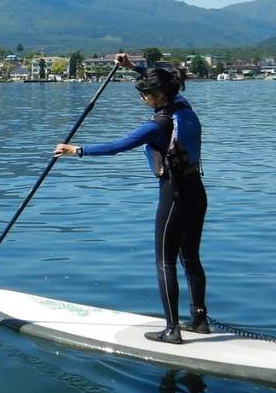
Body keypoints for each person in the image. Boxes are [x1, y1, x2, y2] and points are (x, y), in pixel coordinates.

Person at [54, 53, 208, 344]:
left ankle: (172, 330)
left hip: (173, 196)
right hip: (197, 193)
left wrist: (75, 150)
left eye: (145, 94)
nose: (142, 99)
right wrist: (132, 68)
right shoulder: (183, 106)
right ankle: (199, 320)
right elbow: (162, 76)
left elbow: (117, 146)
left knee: (165, 262)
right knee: (190, 258)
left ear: (160, 95)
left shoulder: (158, 126)